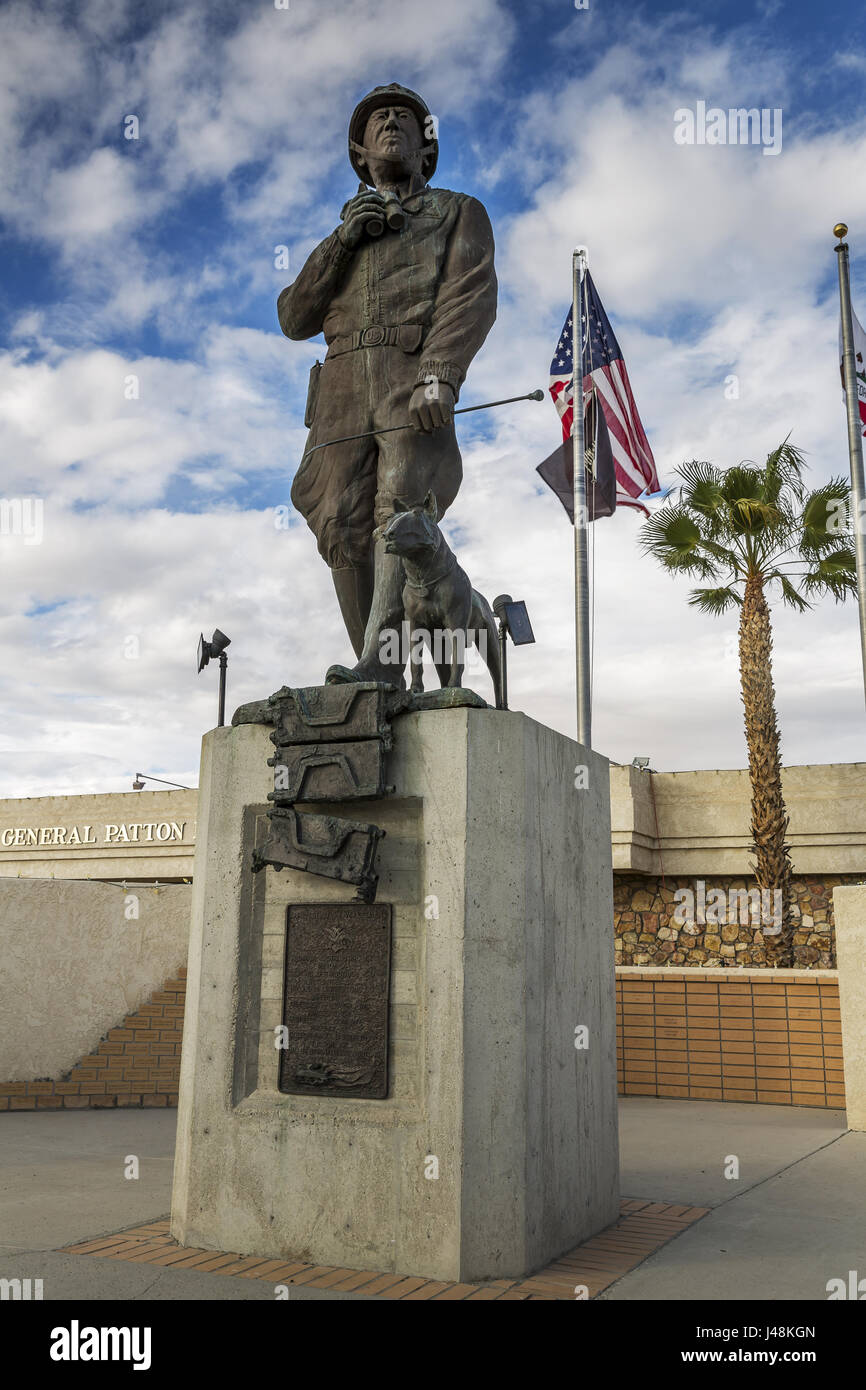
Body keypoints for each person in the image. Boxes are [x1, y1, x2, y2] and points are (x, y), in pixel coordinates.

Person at [279, 82, 497, 683]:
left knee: (399, 509)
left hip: (410, 373)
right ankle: (379, 670)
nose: (392, 122)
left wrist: (440, 375)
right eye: (379, 120)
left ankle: (381, 659)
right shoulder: (344, 233)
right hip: (341, 387)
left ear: (427, 150)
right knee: (339, 524)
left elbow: (469, 296)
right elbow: (293, 318)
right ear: (360, 154)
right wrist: (342, 242)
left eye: (405, 117)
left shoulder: (459, 211)